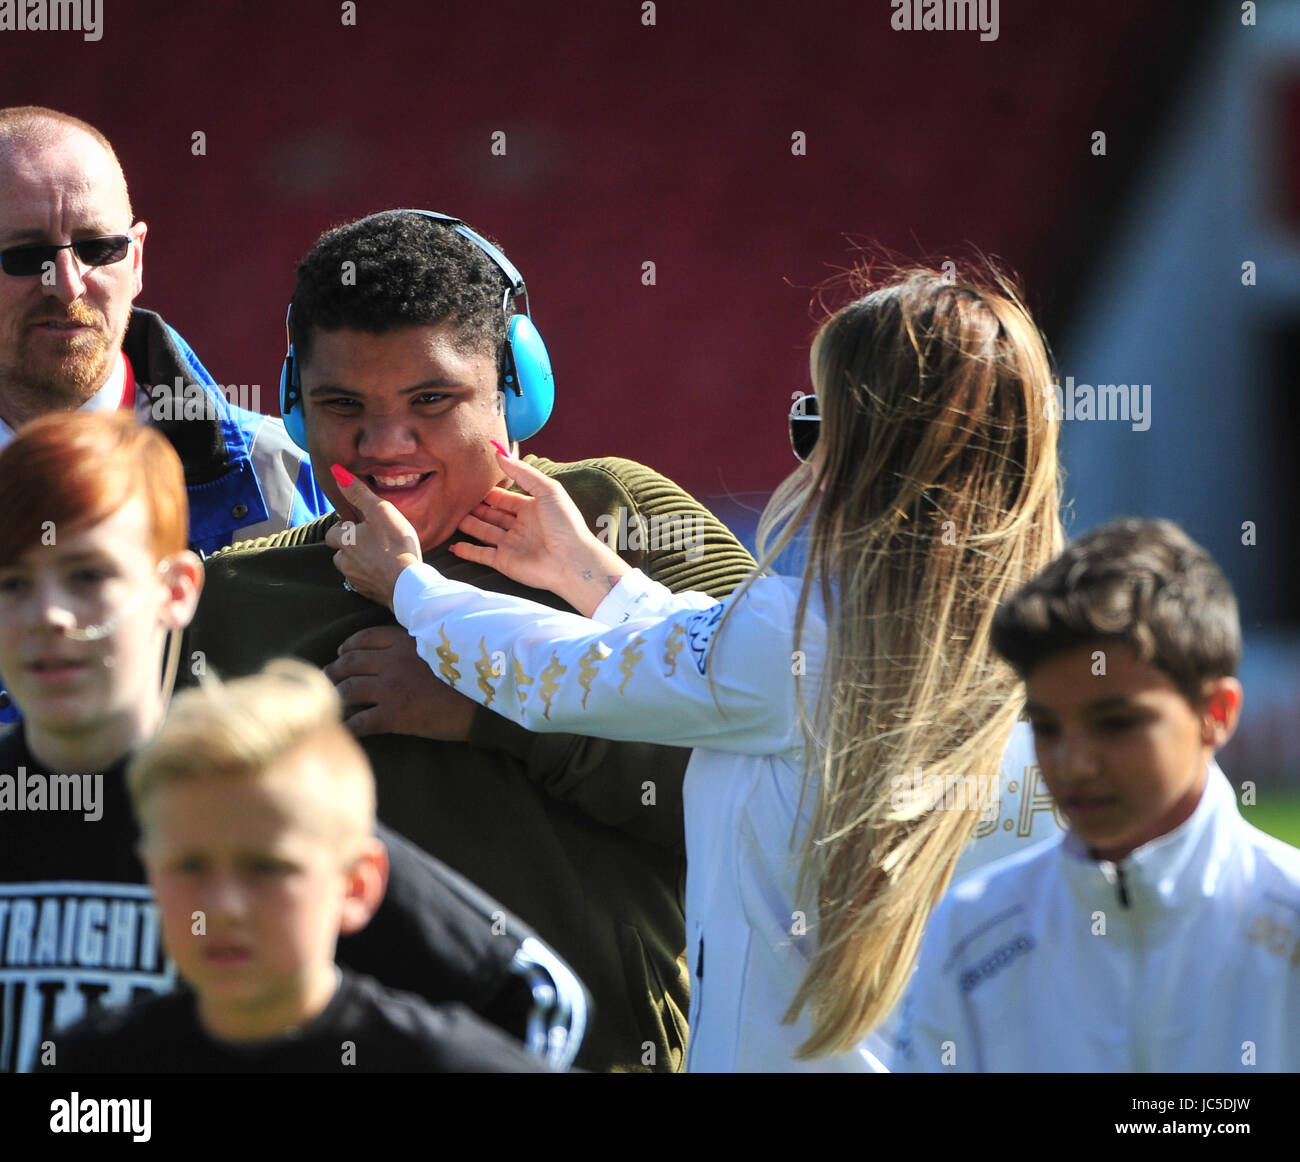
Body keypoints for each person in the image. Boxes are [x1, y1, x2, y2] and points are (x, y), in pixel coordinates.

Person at [330, 263, 1064, 1070]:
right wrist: (586, 571)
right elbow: (707, 654)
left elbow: (552, 676)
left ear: (871, 449)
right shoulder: (1045, 654)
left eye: (815, 424)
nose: (804, 457)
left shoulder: (796, 638)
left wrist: (408, 585)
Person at [187, 209, 758, 1072]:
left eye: (432, 401)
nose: (386, 446)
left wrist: (488, 701)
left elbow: (771, 778)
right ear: (296, 407)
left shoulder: (622, 520)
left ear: (516, 389)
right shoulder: (233, 596)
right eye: (343, 405)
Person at [0, 411, 583, 1074]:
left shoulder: (255, 797)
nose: (48, 615)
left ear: (177, 590)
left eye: (87, 578)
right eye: (13, 583)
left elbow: (534, 994)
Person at [894, 519, 1300, 1072]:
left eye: (1116, 723)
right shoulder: (971, 934)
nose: (1073, 763)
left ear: (1217, 714)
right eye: (1046, 726)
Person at [43, 659, 552, 1073]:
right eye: (190, 866)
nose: (222, 907)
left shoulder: (455, 1064)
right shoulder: (92, 1066)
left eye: (266, 868)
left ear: (357, 885)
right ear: (150, 871)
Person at [0, 106, 328, 560]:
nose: (68, 284)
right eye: (24, 254)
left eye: (98, 247)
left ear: (135, 261)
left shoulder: (284, 479)